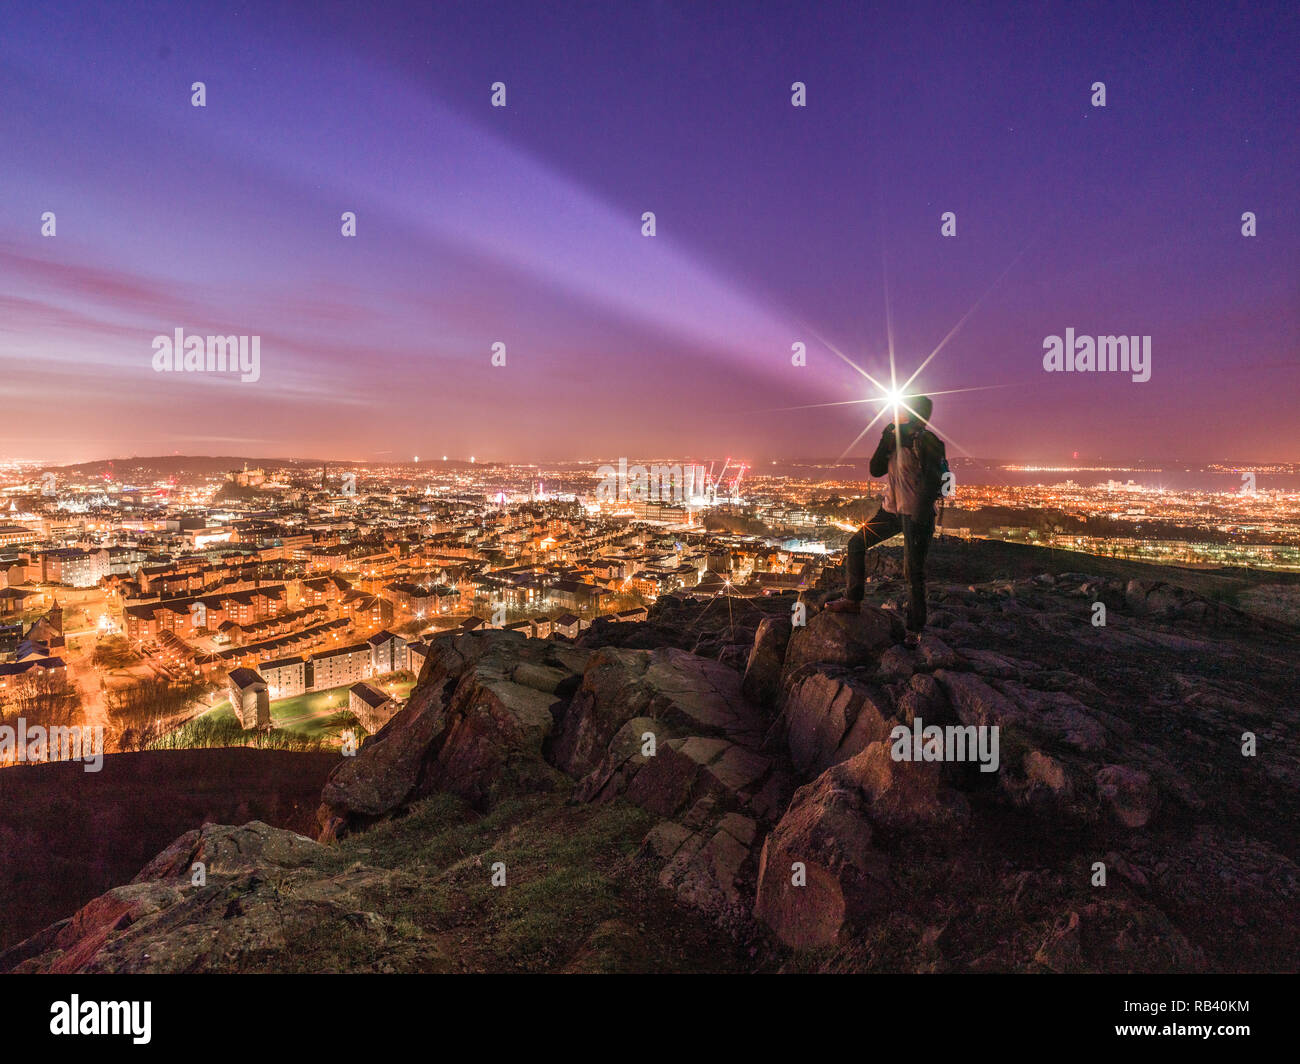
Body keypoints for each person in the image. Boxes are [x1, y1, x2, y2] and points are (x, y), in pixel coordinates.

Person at [826, 395, 947, 632]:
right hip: (891, 509)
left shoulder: (927, 441)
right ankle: (853, 600)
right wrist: (886, 438)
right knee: (856, 544)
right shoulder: (895, 440)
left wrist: (921, 512)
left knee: (913, 572)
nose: (897, 414)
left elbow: (937, 482)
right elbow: (875, 469)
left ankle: (914, 630)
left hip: (916, 514)